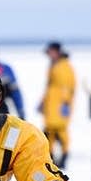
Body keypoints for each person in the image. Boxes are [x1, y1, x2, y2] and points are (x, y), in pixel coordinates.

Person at [38, 40, 76, 168]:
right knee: (50, 131)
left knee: (60, 130)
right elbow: (49, 87)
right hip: (52, 104)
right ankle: (50, 157)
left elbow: (67, 85)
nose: (49, 55)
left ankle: (64, 156)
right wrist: (43, 102)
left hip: (59, 105)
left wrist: (65, 103)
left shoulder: (63, 66)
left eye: (51, 52)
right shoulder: (54, 65)